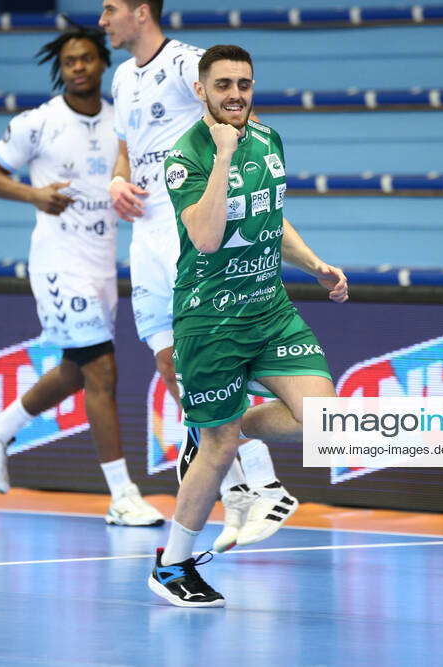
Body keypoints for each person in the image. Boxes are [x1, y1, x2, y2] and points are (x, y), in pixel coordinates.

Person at [148, 44, 349, 607]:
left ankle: (228, 429)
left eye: (244, 84)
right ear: (201, 91)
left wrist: (313, 264)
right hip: (211, 322)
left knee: (323, 418)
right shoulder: (184, 156)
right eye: (224, 86)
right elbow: (207, 236)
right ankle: (172, 564)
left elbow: (271, 215)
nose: (235, 95)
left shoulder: (269, 139)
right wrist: (222, 156)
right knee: (216, 452)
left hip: (269, 310)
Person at [99, 0, 295, 551]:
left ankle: (265, 483)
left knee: (208, 358)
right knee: (169, 365)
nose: (102, 19)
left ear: (141, 11)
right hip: (145, 235)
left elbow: (237, 113)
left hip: (187, 228)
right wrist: (118, 181)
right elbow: (125, 150)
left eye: (110, 7)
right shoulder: (122, 76)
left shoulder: (189, 62)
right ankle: (239, 491)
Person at [0, 25, 164, 527]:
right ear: (62, 68)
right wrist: (34, 195)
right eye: (70, 60)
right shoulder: (39, 123)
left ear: (102, 63)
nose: (78, 66)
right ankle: (122, 495)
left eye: (86, 58)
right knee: (102, 371)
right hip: (58, 264)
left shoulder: (122, 120)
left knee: (77, 370)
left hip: (102, 263)